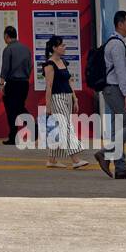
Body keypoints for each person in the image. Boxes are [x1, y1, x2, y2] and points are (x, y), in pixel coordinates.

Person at [95, 10, 126, 179]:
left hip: (113, 89)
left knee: (118, 129)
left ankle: (121, 168)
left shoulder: (117, 42)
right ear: (120, 24)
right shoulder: (116, 44)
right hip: (116, 90)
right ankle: (105, 153)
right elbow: (121, 72)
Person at [42, 35, 89, 170]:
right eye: (62, 45)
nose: (64, 47)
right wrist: (48, 104)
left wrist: (75, 98)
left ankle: (52, 160)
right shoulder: (49, 64)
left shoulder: (63, 62)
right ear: (54, 48)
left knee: (57, 129)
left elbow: (69, 81)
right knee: (66, 127)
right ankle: (75, 159)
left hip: (68, 97)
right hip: (57, 98)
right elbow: (49, 85)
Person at [0, 25, 32, 145]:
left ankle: (14, 136)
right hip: (24, 83)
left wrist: (2, 84)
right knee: (19, 107)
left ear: (6, 36)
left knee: (12, 110)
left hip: (12, 84)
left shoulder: (8, 49)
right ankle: (32, 129)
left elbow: (5, 68)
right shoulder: (26, 49)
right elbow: (30, 66)